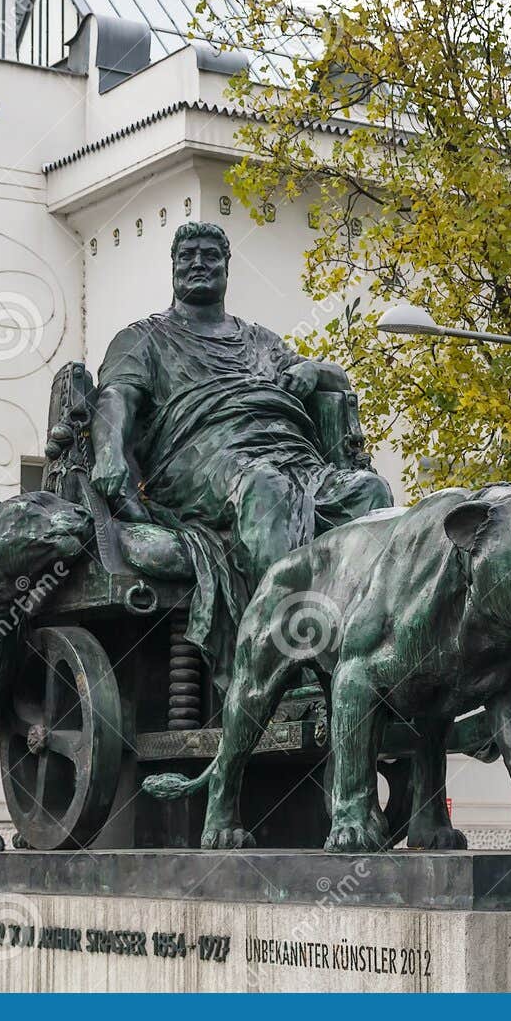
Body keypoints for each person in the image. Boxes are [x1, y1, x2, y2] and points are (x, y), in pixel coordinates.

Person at [90, 221, 393, 692]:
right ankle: (287, 663)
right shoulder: (144, 339)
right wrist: (108, 454)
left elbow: (334, 377)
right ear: (172, 267)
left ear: (227, 267)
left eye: (210, 255)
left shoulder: (262, 341)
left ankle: (370, 651)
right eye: (187, 255)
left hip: (293, 455)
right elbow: (115, 401)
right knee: (265, 491)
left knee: (369, 493)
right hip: (201, 462)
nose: (198, 263)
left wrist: (313, 371)